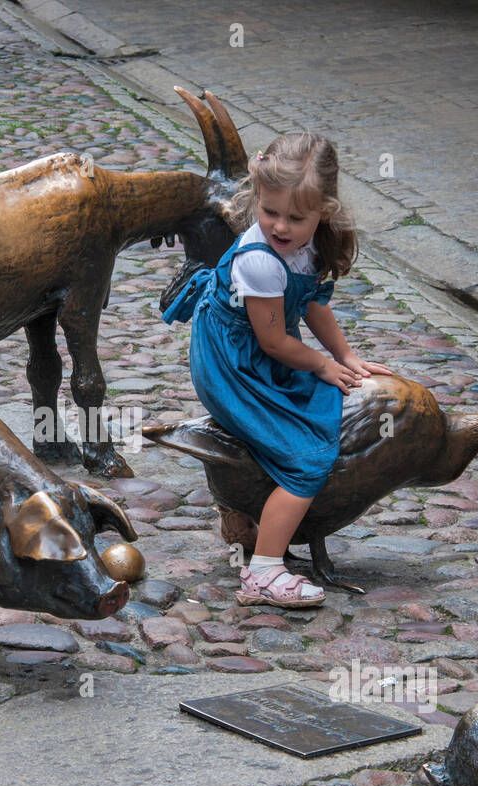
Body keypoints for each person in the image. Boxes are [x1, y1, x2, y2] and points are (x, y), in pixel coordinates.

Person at [163, 132, 391, 608]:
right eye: (270, 213)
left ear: (323, 211)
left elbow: (312, 306)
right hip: (235, 364)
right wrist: (323, 365)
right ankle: (264, 571)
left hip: (266, 349)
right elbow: (274, 340)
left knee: (319, 402)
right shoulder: (259, 261)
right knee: (304, 458)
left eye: (295, 217)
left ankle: (245, 513)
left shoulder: (307, 249)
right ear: (257, 199)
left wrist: (345, 356)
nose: (280, 227)